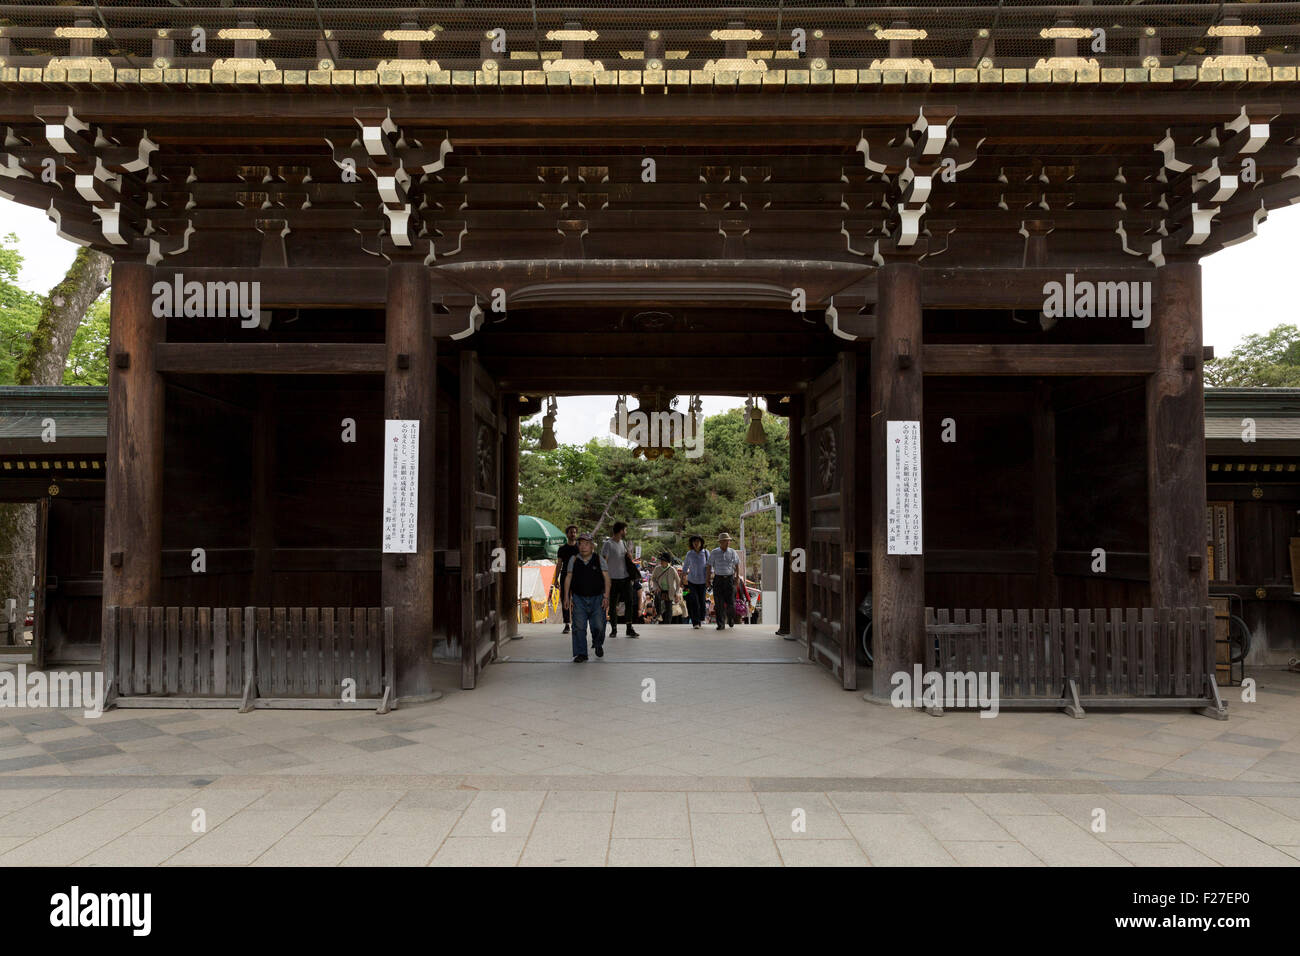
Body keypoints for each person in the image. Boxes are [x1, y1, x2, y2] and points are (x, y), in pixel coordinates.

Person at [563, 532, 610, 662]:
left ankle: (598, 643)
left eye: (586, 544)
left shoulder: (599, 559)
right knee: (578, 626)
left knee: (599, 626)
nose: (583, 547)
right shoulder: (574, 560)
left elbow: (607, 579)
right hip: (579, 598)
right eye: (581, 544)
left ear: (592, 546)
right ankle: (581, 653)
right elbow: (568, 578)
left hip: (597, 599)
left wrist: (606, 597)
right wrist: (566, 597)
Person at [601, 521, 640, 638]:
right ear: (621, 530)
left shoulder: (623, 543)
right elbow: (604, 561)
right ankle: (613, 629)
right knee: (612, 605)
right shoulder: (608, 544)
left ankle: (629, 628)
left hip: (626, 578)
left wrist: (629, 556)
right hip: (613, 579)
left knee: (629, 603)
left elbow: (625, 559)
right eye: (625, 530)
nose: (626, 532)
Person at [707, 532, 741, 630]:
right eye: (726, 541)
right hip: (718, 579)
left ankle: (730, 618)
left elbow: (737, 564)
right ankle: (720, 624)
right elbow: (709, 565)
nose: (728, 543)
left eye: (728, 541)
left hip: (729, 579)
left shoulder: (732, 552)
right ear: (720, 542)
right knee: (719, 603)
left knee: (731, 602)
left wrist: (737, 577)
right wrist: (707, 579)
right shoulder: (714, 552)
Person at [555, 524, 580, 634]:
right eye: (571, 532)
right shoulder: (562, 549)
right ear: (567, 534)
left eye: (575, 532)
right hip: (565, 575)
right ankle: (566, 624)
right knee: (565, 599)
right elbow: (559, 564)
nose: (573, 534)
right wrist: (555, 579)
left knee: (577, 600)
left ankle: (576, 622)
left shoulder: (579, 548)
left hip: (577, 576)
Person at [681, 534, 709, 629]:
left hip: (703, 582)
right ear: (692, 543)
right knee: (694, 601)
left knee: (702, 602)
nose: (696, 543)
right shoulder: (689, 554)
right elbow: (685, 567)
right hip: (692, 582)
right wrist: (683, 578)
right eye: (694, 542)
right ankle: (695, 622)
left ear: (701, 543)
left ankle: (701, 618)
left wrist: (709, 578)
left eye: (698, 542)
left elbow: (709, 567)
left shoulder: (706, 553)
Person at [651, 552, 680, 625]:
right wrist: (656, 587)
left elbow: (678, 581)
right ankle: (659, 615)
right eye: (661, 560)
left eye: (663, 560)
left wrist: (677, 593)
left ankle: (668, 623)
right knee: (657, 599)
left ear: (667, 561)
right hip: (660, 589)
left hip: (669, 591)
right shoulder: (657, 569)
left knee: (668, 608)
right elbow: (653, 579)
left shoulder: (672, 570)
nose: (661, 562)